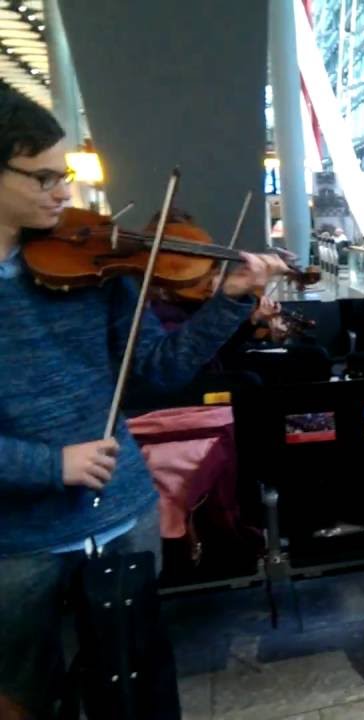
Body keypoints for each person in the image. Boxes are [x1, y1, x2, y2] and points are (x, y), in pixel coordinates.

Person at [0, 89, 289, 717]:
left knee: (135, 685)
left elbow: (157, 373)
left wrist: (231, 301)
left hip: (122, 514)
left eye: (65, 173)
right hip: (17, 541)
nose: (63, 193)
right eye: (44, 177)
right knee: (24, 692)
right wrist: (51, 466)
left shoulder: (93, 258)